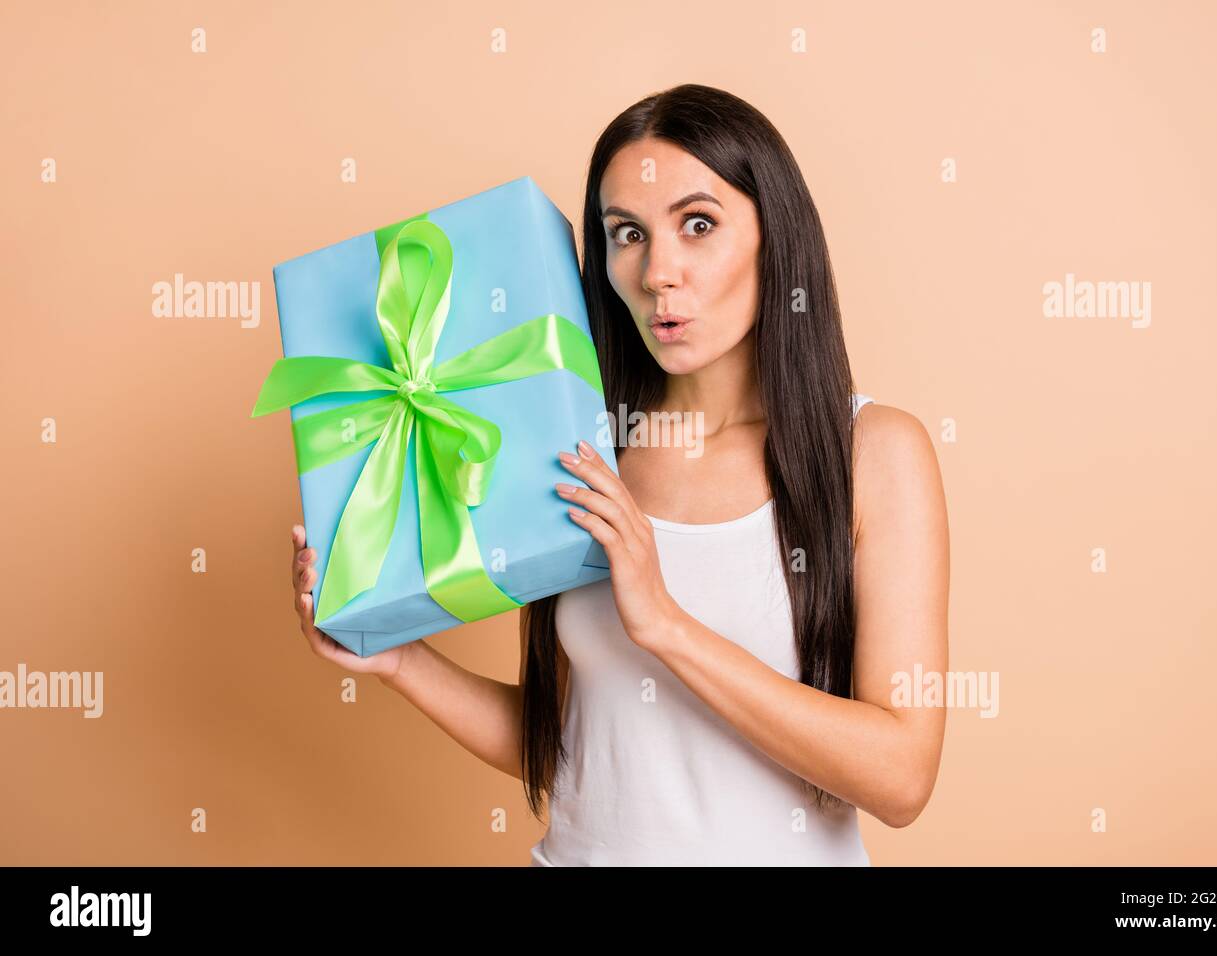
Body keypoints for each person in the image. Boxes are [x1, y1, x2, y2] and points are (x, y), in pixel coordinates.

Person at [288, 83, 950, 866]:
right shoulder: (582, 447)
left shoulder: (872, 452)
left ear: (777, 236)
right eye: (626, 233)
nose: (657, 271)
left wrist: (665, 625)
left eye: (697, 224)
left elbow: (902, 776)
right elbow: (576, 751)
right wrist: (397, 658)